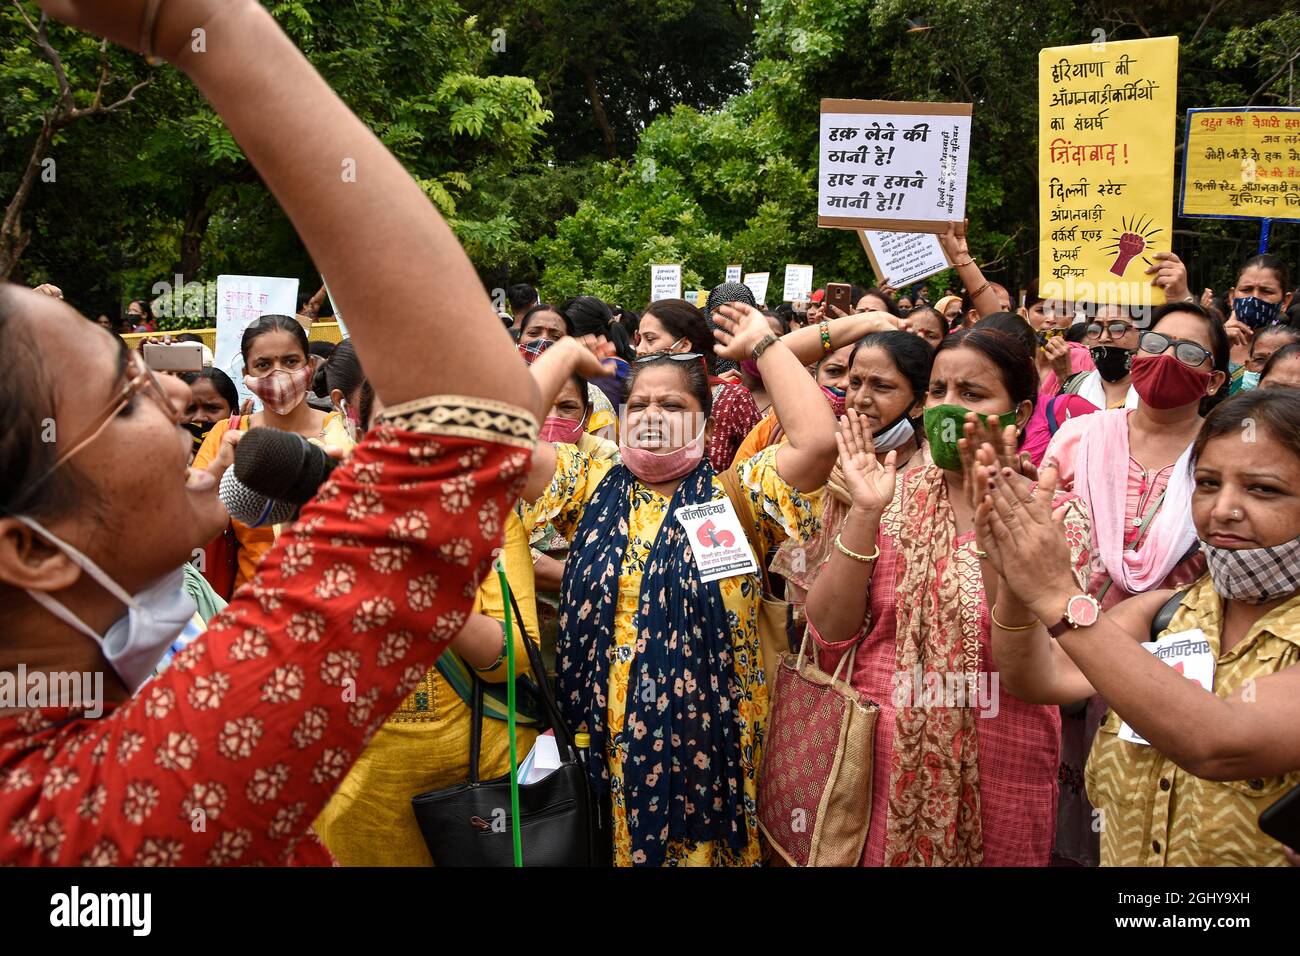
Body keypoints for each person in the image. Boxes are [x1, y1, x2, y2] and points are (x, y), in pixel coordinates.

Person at [0, 0, 537, 867]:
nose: (182, 406)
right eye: (128, 397)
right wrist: (196, 24)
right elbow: (467, 419)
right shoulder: (93, 819)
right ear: (31, 551)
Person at [519, 302, 837, 866]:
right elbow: (504, 441)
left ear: (708, 422)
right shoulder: (587, 484)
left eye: (672, 404)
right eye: (637, 403)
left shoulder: (737, 496)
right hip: (606, 750)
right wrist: (565, 352)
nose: (650, 415)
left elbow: (815, 443)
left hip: (715, 752)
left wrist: (767, 345)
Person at [803, 328, 1092, 866]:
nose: (947, 408)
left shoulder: (1053, 518)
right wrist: (863, 515)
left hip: (1003, 765)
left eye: (973, 395)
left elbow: (1064, 665)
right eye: (937, 392)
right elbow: (829, 632)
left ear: (1020, 410)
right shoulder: (886, 493)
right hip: (879, 765)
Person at [977, 389, 1300, 866]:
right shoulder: (1164, 613)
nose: (1223, 509)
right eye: (1208, 484)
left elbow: (1218, 745)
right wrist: (1016, 579)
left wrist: (1057, 595)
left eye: (1263, 489)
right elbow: (1036, 677)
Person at [312, 382, 543, 866]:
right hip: (361, 798)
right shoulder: (325, 518)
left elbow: (513, 657)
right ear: (364, 433)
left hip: (481, 786)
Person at [1040, 301, 1228, 865]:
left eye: (1190, 352)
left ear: (1215, 378)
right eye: (1156, 343)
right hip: (1064, 642)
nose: (1167, 358)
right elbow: (1040, 526)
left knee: (1143, 804)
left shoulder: (1223, 456)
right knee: (1058, 789)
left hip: (1171, 660)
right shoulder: (1079, 436)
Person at [772, 329, 934, 630]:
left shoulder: (934, 480)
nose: (860, 399)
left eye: (882, 387)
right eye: (856, 383)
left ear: (918, 403)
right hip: (819, 652)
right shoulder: (819, 463)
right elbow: (770, 355)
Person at [191, 315, 354, 596]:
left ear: (310, 366)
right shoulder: (225, 435)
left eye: (290, 361)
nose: (278, 375)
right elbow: (189, 521)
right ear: (246, 373)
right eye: (263, 365)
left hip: (334, 602)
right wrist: (221, 466)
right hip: (252, 607)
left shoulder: (345, 434)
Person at [729, 310, 898, 466]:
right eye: (834, 371)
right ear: (813, 376)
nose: (845, 384)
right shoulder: (778, 425)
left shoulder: (918, 461)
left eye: (880, 385)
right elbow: (761, 356)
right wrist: (871, 320)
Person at [632, 298, 763, 471]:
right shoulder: (633, 395)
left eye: (650, 339)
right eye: (639, 340)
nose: (640, 349)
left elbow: (759, 469)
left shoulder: (733, 400)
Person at [518, 304, 618, 442]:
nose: (543, 340)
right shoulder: (500, 385)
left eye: (555, 336)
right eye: (534, 333)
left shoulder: (594, 396)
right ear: (519, 338)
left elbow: (605, 447)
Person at [179, 368, 239, 460]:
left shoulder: (248, 461)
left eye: (212, 408)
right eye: (189, 409)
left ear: (233, 412)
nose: (198, 417)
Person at [1236, 312, 1300, 393]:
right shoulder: (1231, 402)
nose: (1267, 367)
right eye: (1260, 359)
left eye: (1281, 360)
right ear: (1247, 365)